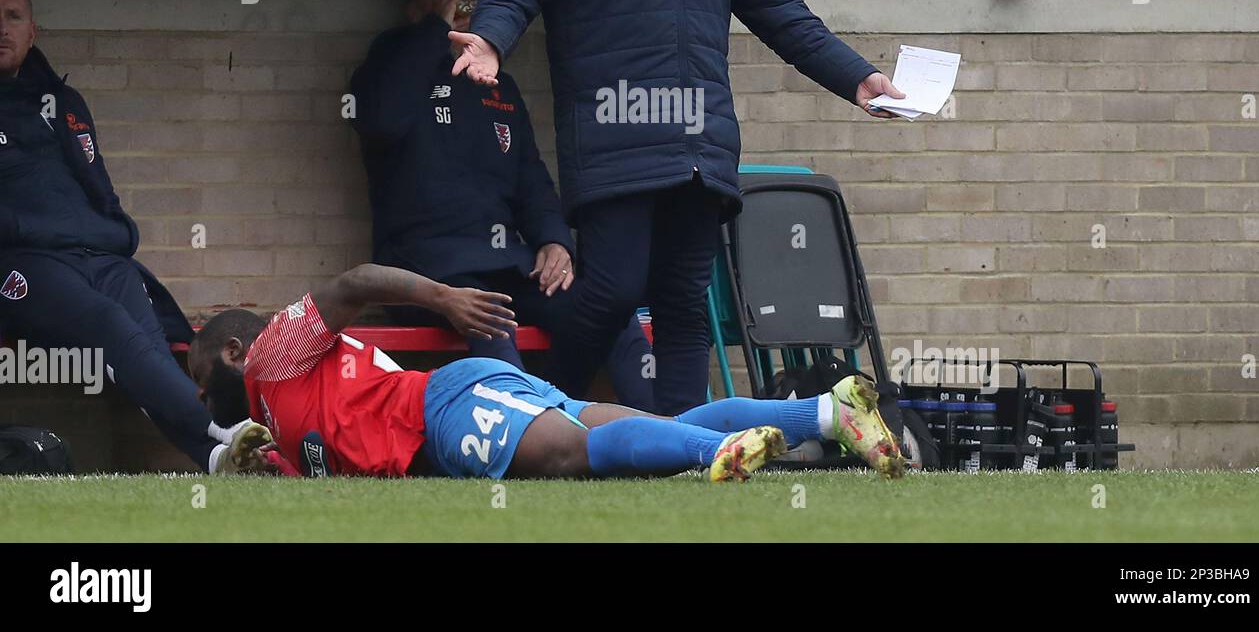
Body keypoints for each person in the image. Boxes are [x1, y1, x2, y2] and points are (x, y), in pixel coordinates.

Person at [448, 0, 909, 416]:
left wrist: (859, 78)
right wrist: (491, 36)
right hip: (615, 132)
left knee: (684, 301)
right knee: (610, 289)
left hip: (703, 142)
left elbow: (777, 7)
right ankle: (539, 417)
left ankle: (685, 452)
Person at [188, 262, 906, 481]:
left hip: (439, 410)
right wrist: (247, 464)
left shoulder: (269, 357)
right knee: (645, 426)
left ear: (231, 352)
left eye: (197, 376)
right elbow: (298, 465)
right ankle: (826, 412)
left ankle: (715, 455)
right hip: (462, 403)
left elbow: (350, 284)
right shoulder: (273, 414)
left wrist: (442, 298)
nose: (197, 394)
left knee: (567, 454)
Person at [349, 0, 653, 408]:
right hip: (428, 267)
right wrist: (435, 29)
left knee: (608, 310)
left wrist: (554, 242)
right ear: (414, 8)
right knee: (495, 329)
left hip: (507, 262)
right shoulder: (392, 59)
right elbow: (380, 121)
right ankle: (532, 446)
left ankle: (664, 438)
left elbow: (531, 179)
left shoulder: (498, 86)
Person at [0, 0, 268, 473]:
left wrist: (116, 238)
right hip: (23, 267)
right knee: (108, 325)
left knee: (145, 344)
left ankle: (214, 457)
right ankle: (220, 430)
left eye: (13, 17)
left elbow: (100, 191)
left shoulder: (64, 103)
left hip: (99, 257)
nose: (3, 28)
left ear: (34, 31)